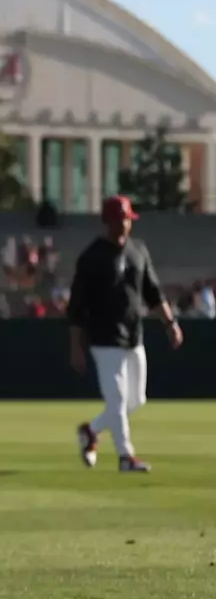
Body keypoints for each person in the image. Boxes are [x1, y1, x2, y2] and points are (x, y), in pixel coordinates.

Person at [68, 195, 182, 472]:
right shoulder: (92, 256)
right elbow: (77, 306)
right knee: (117, 399)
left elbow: (153, 292)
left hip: (133, 335)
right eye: (120, 219)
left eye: (128, 219)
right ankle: (125, 457)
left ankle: (91, 431)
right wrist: (76, 346)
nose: (125, 224)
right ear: (107, 221)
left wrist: (170, 324)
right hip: (103, 337)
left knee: (136, 400)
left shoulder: (138, 251)